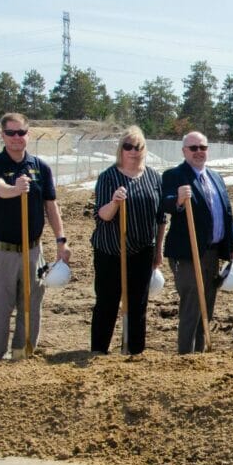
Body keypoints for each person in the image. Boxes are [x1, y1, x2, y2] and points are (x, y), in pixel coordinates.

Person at [0, 112, 71, 364]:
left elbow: (51, 206)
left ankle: (22, 354)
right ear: (3, 135)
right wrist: (15, 189)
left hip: (32, 249)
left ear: (28, 135)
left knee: (31, 305)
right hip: (1, 251)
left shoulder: (41, 167)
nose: (16, 138)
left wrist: (61, 240)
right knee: (0, 306)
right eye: (11, 133)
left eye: (21, 133)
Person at [162, 131, 233, 354]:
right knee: (192, 303)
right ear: (184, 151)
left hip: (213, 253)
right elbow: (162, 204)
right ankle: (185, 355)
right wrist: (177, 199)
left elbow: (227, 213)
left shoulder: (215, 177)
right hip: (188, 254)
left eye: (203, 147)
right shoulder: (174, 175)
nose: (199, 152)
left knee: (207, 302)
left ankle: (200, 352)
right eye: (193, 148)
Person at [89, 126, 166, 355]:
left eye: (138, 146)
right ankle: (99, 351)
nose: (133, 151)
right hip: (111, 250)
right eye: (128, 146)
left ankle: (134, 351)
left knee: (138, 304)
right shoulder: (108, 177)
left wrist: (158, 249)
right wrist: (114, 202)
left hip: (143, 250)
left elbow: (160, 218)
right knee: (107, 302)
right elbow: (101, 216)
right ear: (121, 150)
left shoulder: (153, 177)